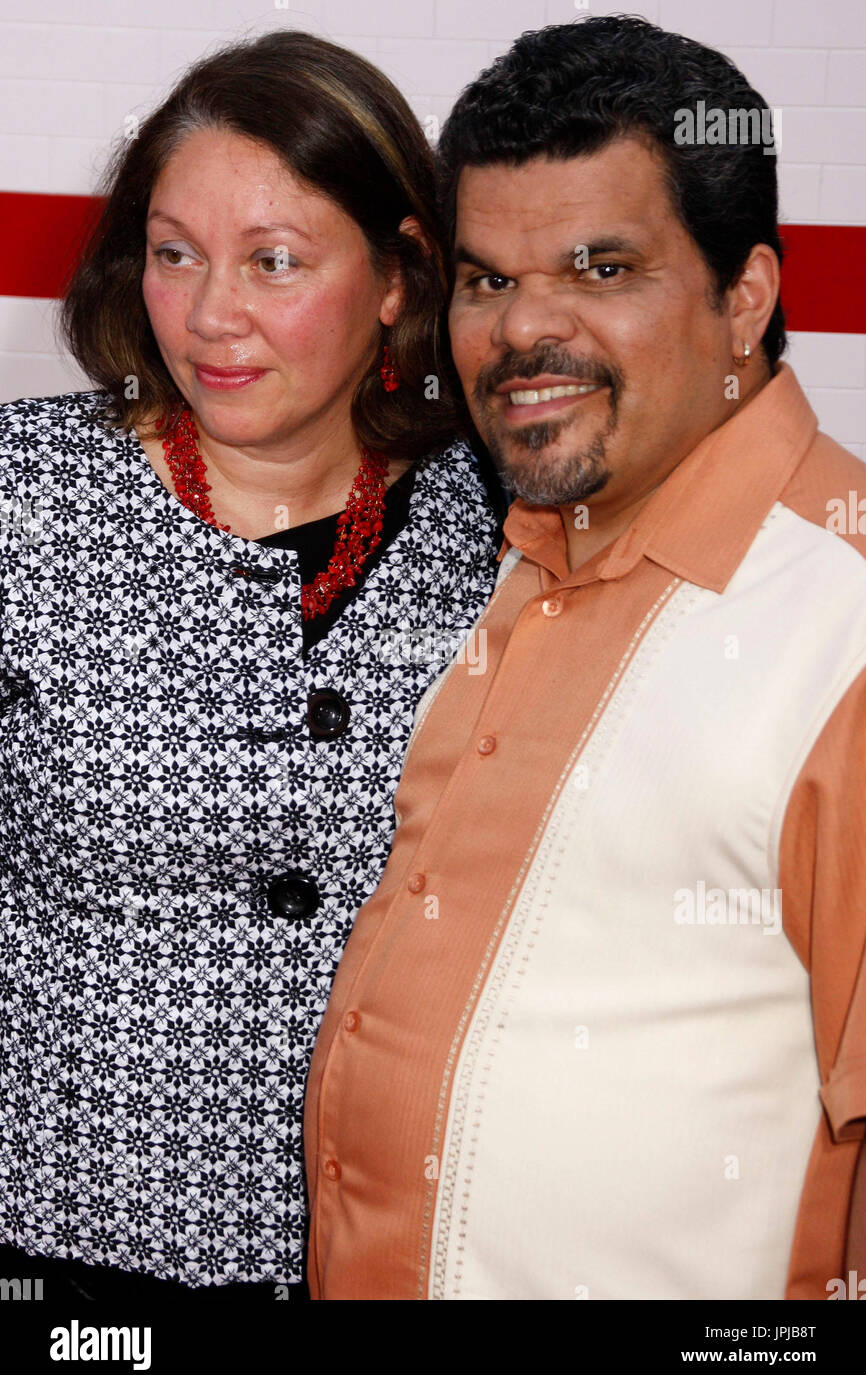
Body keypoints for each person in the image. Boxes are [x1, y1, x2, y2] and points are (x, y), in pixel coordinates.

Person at [304, 16, 866, 1300]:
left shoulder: (836, 615)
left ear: (744, 298)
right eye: (488, 280)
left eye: (599, 269)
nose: (520, 332)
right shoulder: (524, 547)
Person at [0, 30, 503, 1301]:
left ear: (399, 278)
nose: (211, 313)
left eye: (273, 262)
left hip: (403, 1246)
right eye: (175, 254)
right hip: (71, 1247)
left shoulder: (505, 528)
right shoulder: (28, 497)